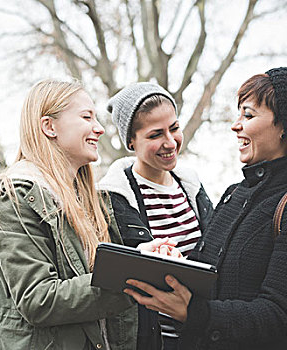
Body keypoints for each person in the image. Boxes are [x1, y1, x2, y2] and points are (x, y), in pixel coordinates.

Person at [122, 67, 287, 350]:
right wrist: (171, 259)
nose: (236, 125)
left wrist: (194, 312)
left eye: (248, 115)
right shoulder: (235, 194)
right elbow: (203, 271)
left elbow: (279, 315)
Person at [0, 79, 140, 349]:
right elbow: (38, 299)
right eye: (86, 117)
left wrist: (145, 257)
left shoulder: (88, 200)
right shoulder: (15, 197)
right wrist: (132, 279)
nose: (98, 128)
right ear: (49, 126)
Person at [98, 82, 214, 350]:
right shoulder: (113, 197)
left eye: (174, 128)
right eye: (155, 135)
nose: (170, 142)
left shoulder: (192, 186)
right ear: (131, 142)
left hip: (201, 336)